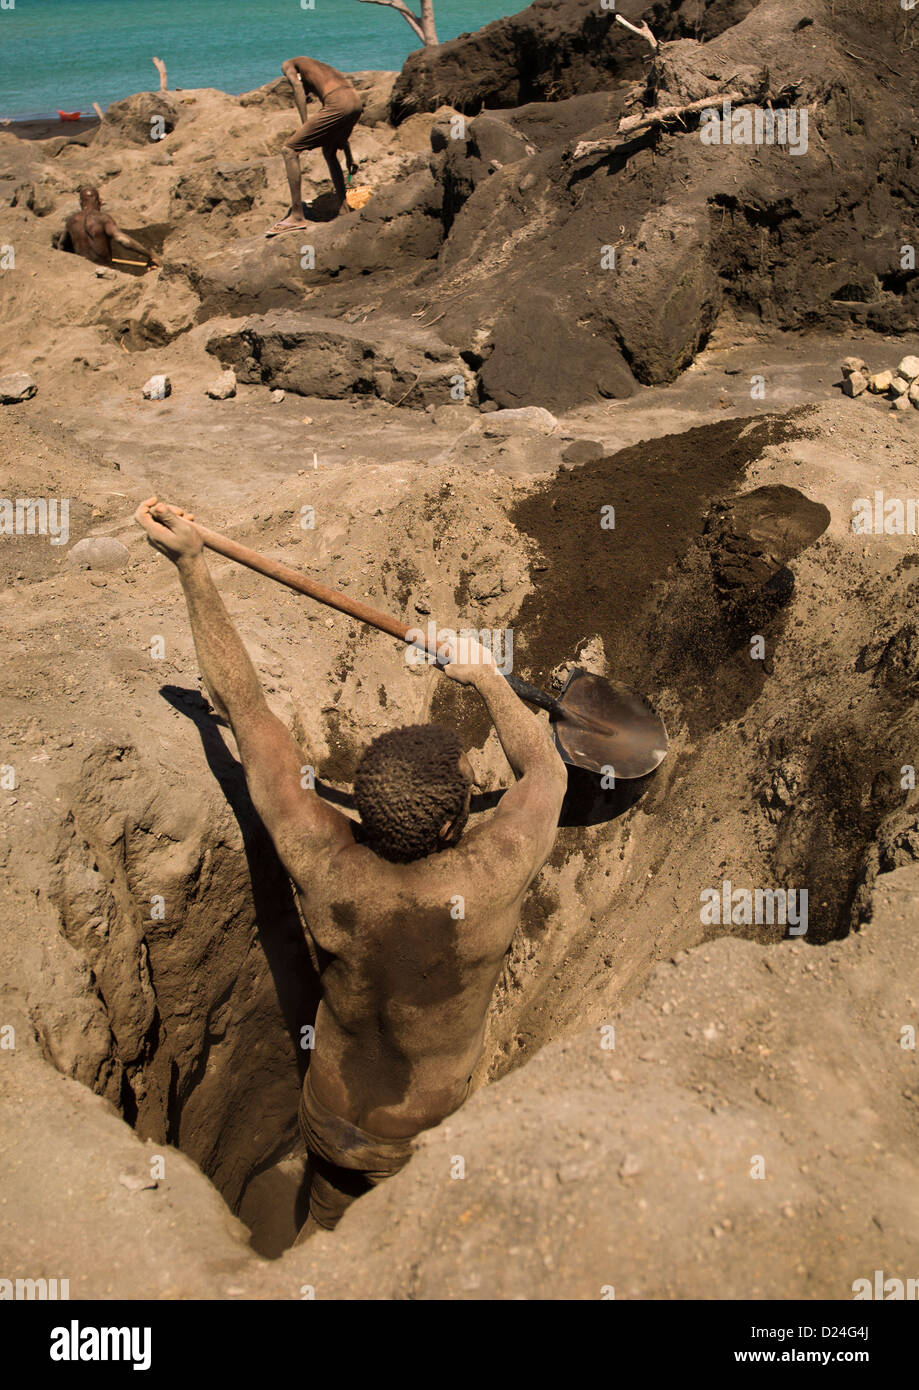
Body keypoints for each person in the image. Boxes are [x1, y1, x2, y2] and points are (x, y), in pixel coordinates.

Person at [134, 498, 568, 1236]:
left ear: (363, 807)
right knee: (402, 1243)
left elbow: (247, 711)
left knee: (327, 1227)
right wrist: (487, 678)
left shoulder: (323, 858)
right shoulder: (491, 877)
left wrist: (191, 565)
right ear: (449, 822)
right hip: (422, 1127)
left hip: (330, 1112)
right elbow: (545, 773)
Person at [266, 56, 362, 236]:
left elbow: (297, 89)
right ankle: (343, 209)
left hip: (338, 102)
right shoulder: (319, 67)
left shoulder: (288, 64)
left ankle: (296, 216)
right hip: (355, 101)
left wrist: (304, 125)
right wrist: (349, 156)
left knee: (289, 150)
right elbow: (338, 123)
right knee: (330, 151)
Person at [63, 186, 160, 268]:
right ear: (100, 202)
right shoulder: (103, 218)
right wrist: (150, 255)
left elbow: (62, 246)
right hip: (104, 267)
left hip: (82, 269)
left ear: (81, 202)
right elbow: (122, 239)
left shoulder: (71, 221)